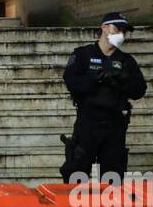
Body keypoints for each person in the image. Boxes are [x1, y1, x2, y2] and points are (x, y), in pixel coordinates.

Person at [61, 11, 147, 182]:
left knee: (112, 178)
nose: (121, 34)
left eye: (124, 31)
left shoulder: (125, 60)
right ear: (104, 28)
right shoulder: (83, 55)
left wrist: (121, 81)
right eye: (118, 29)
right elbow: (71, 81)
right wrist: (96, 79)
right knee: (76, 175)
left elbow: (139, 90)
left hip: (115, 124)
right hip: (88, 123)